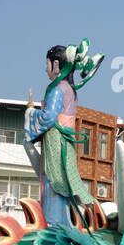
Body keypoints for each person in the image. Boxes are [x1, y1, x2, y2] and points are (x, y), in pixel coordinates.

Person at [25, 41, 103, 229]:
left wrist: (30, 113)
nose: (46, 70)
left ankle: (54, 223)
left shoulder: (58, 90)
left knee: (55, 182)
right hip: (65, 141)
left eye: (47, 64)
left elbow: (49, 117)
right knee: (66, 179)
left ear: (56, 64)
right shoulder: (71, 90)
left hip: (56, 140)